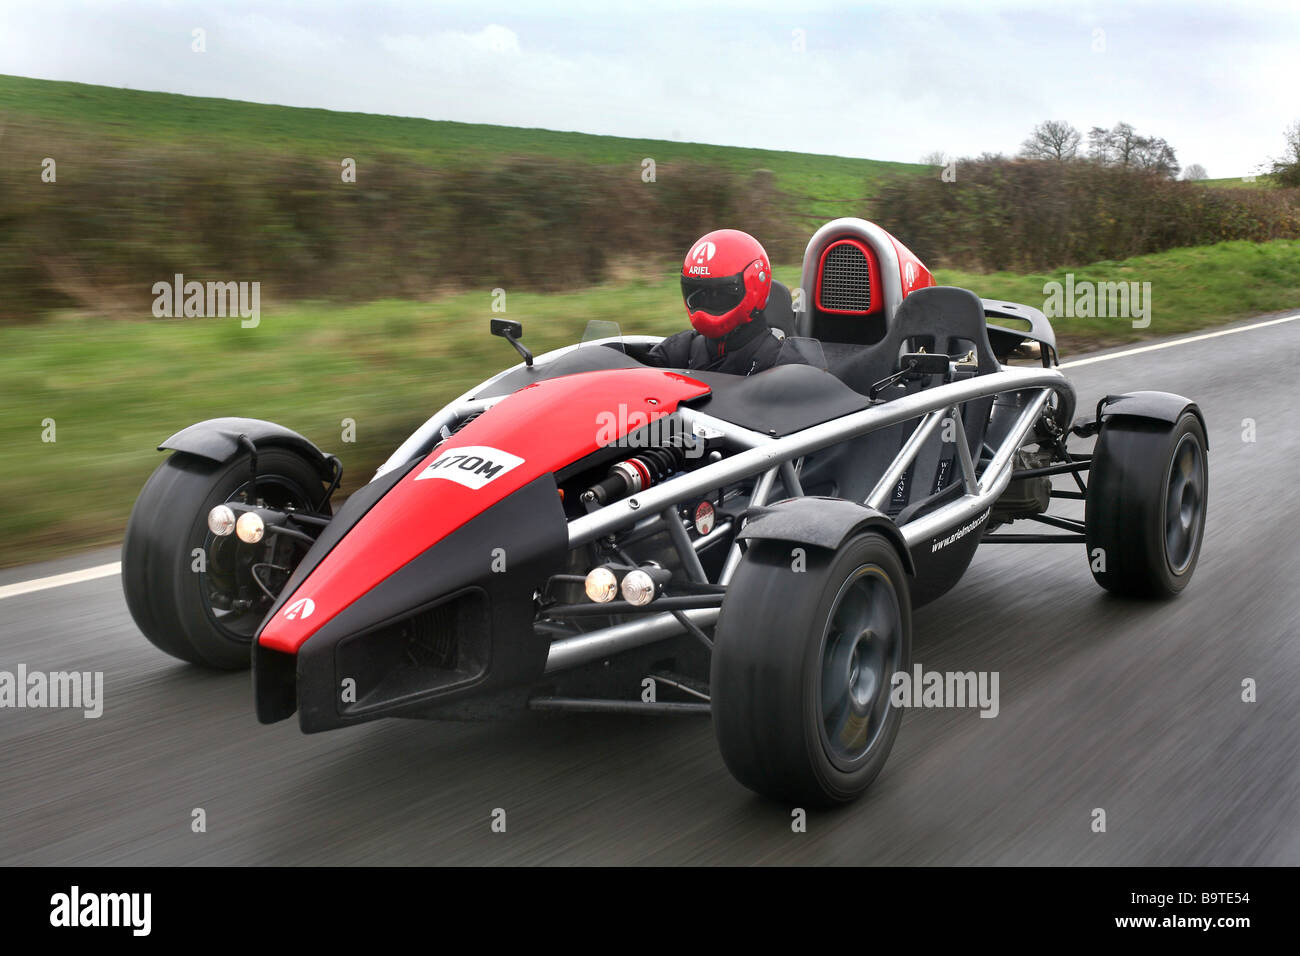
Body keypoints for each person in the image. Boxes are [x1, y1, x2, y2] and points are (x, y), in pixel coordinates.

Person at [645, 229, 797, 375]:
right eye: (698, 293)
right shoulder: (682, 349)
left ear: (754, 289)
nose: (706, 302)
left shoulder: (782, 365)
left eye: (720, 293)